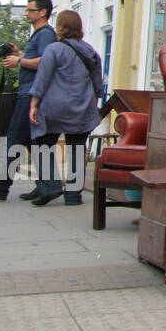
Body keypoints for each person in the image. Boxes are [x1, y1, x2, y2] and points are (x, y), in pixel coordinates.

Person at [0, 0, 56, 202]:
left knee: (14, 138)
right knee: (34, 141)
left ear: (42, 12)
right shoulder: (40, 35)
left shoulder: (46, 35)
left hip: (30, 93)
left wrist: (19, 61)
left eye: (30, 10)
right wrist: (19, 53)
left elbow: (46, 61)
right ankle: (47, 186)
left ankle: (1, 186)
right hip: (29, 92)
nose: (26, 13)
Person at [27, 10, 104, 206]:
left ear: (61, 27)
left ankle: (51, 186)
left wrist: (34, 104)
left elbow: (42, 80)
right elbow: (97, 84)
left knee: (42, 144)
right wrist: (93, 105)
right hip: (82, 108)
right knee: (77, 149)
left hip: (55, 107)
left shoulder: (53, 50)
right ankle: (73, 195)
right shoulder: (91, 52)